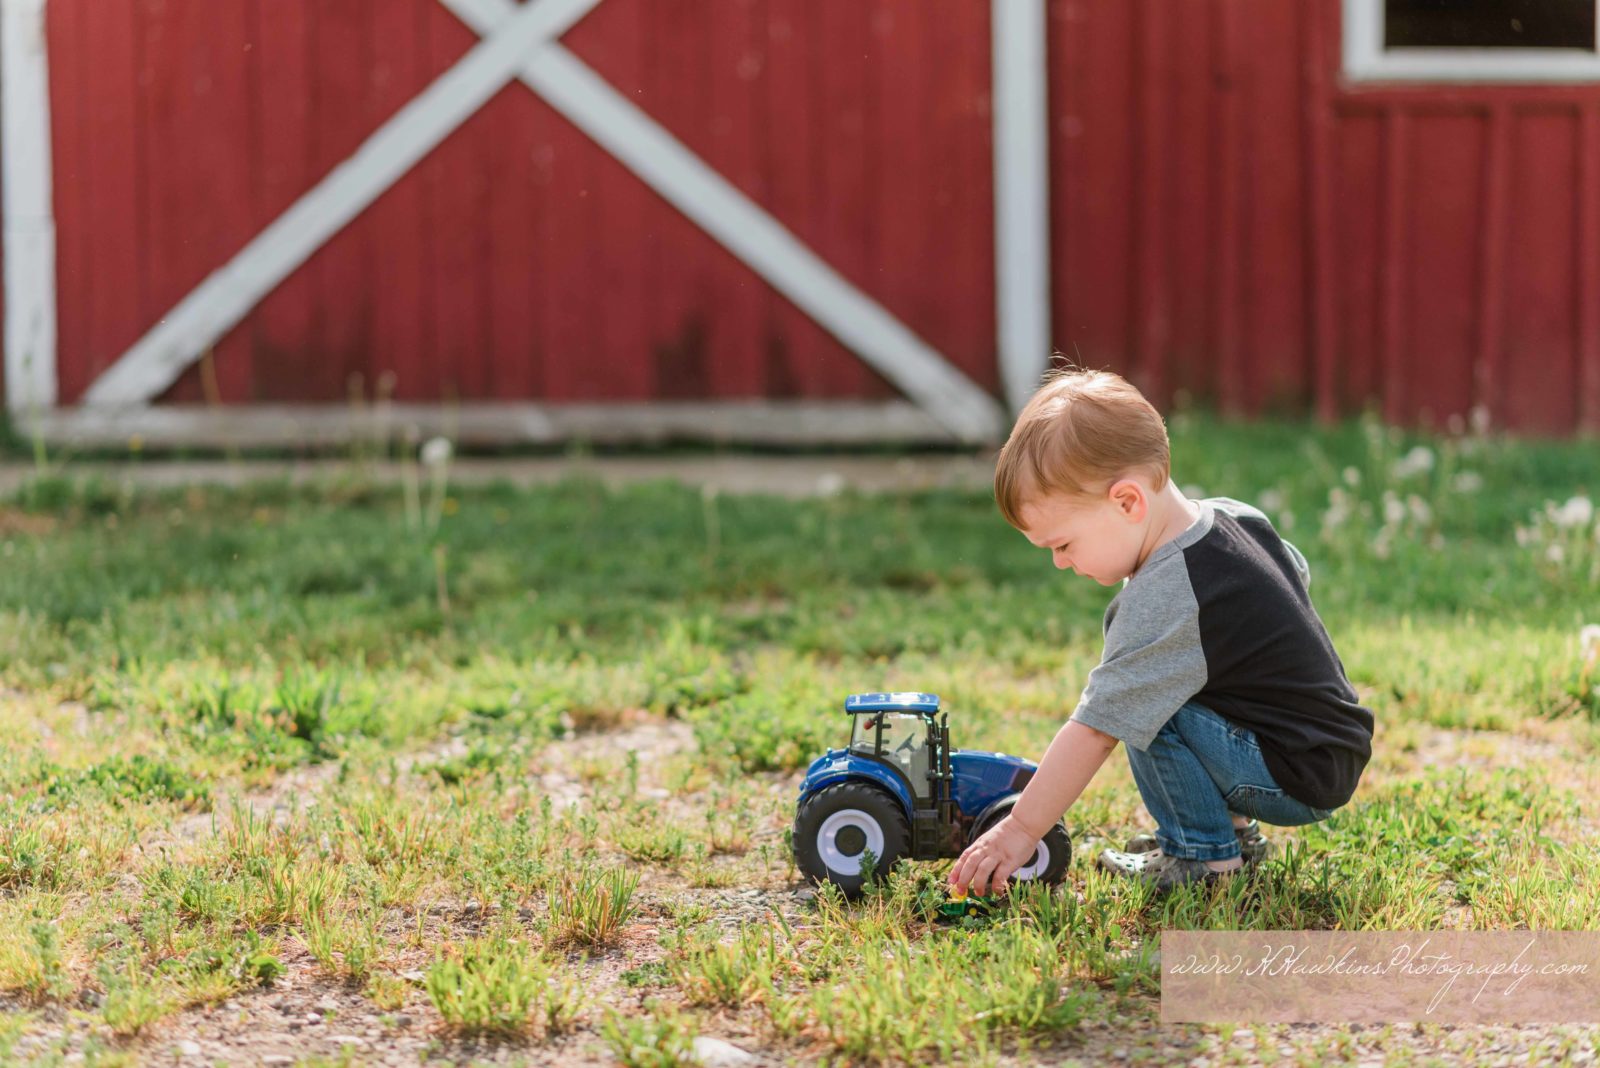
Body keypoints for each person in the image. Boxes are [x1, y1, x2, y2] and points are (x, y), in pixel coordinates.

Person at [947, 367, 1373, 895]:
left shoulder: (1170, 593)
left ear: (1127, 502)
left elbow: (1096, 727)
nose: (1060, 563)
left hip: (1289, 776)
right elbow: (1295, 574)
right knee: (1182, 683)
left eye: (1063, 544)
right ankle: (1229, 837)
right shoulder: (1231, 516)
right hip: (1326, 747)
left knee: (1148, 705)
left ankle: (1203, 859)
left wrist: (1020, 829)